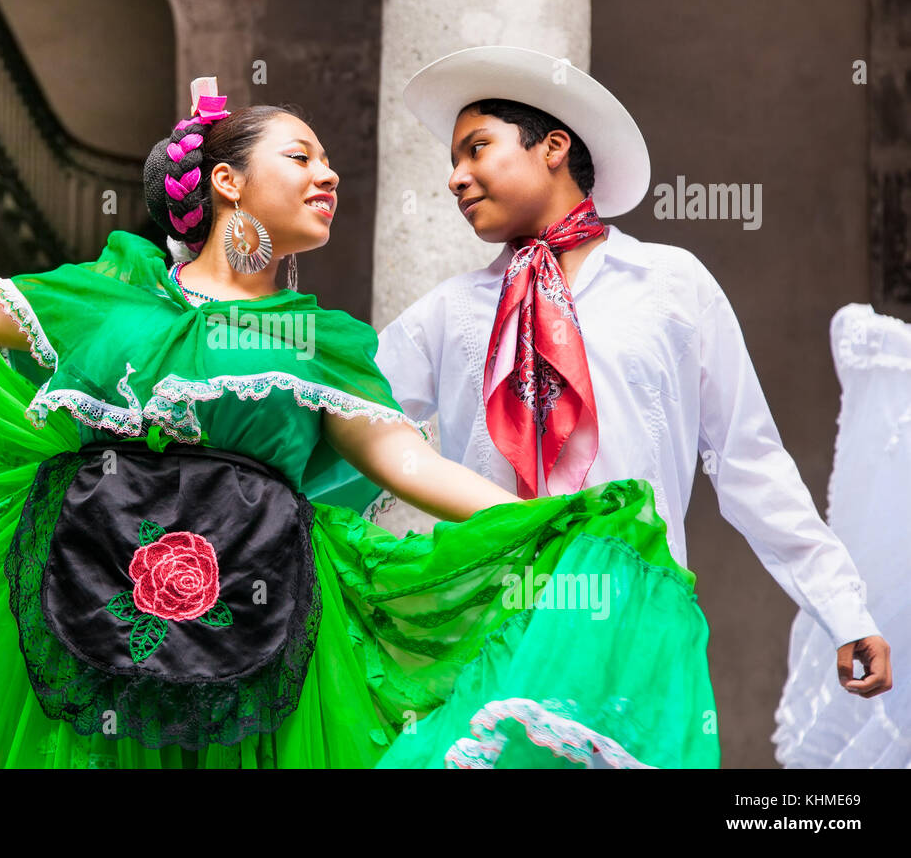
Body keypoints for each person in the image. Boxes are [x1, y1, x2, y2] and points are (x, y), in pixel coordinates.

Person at [0, 77, 718, 769]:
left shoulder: (320, 340)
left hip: (266, 623)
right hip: (73, 599)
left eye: (330, 161)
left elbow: (403, 457)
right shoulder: (112, 298)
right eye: (303, 156)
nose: (329, 174)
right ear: (229, 182)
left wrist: (554, 524)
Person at [367, 46, 892, 724]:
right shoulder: (450, 310)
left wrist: (842, 606)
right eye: (453, 162)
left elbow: (748, 460)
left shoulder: (673, 284)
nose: (455, 178)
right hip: (491, 622)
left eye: (476, 149)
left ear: (553, 146)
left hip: (635, 617)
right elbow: (351, 420)